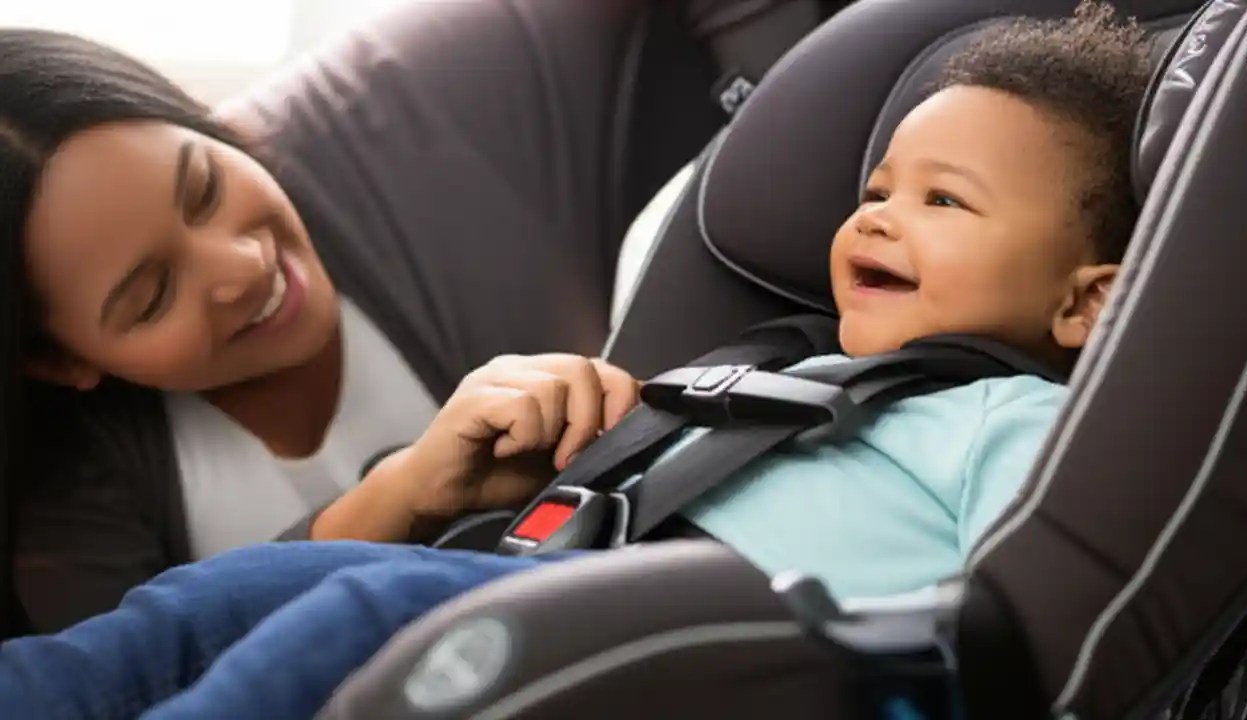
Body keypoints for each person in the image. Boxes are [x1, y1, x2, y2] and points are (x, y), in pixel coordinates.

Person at [0, 3, 1157, 718]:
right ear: (63, 362)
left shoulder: (1013, 423)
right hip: (550, 583)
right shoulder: (773, 368)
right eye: (871, 192)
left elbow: (1067, 603)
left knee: (361, 620)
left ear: (1087, 301)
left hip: (729, 646)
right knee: (217, 601)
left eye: (940, 200)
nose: (236, 268)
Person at [0, 0, 822, 635]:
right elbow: (143, 675)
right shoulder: (62, 508)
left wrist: (782, 145)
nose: (242, 267)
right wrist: (403, 495)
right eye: (151, 297)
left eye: (208, 185)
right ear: (58, 361)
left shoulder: (395, 103)